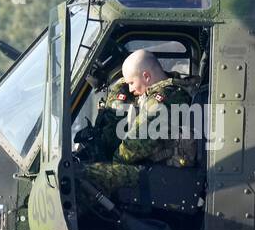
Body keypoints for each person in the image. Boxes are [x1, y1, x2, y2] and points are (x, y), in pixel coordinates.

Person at [84, 49, 197, 196]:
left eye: (131, 83)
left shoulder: (163, 100)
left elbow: (134, 147)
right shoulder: (169, 91)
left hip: (162, 177)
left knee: (86, 176)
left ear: (146, 76)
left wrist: (111, 163)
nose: (130, 89)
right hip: (158, 169)